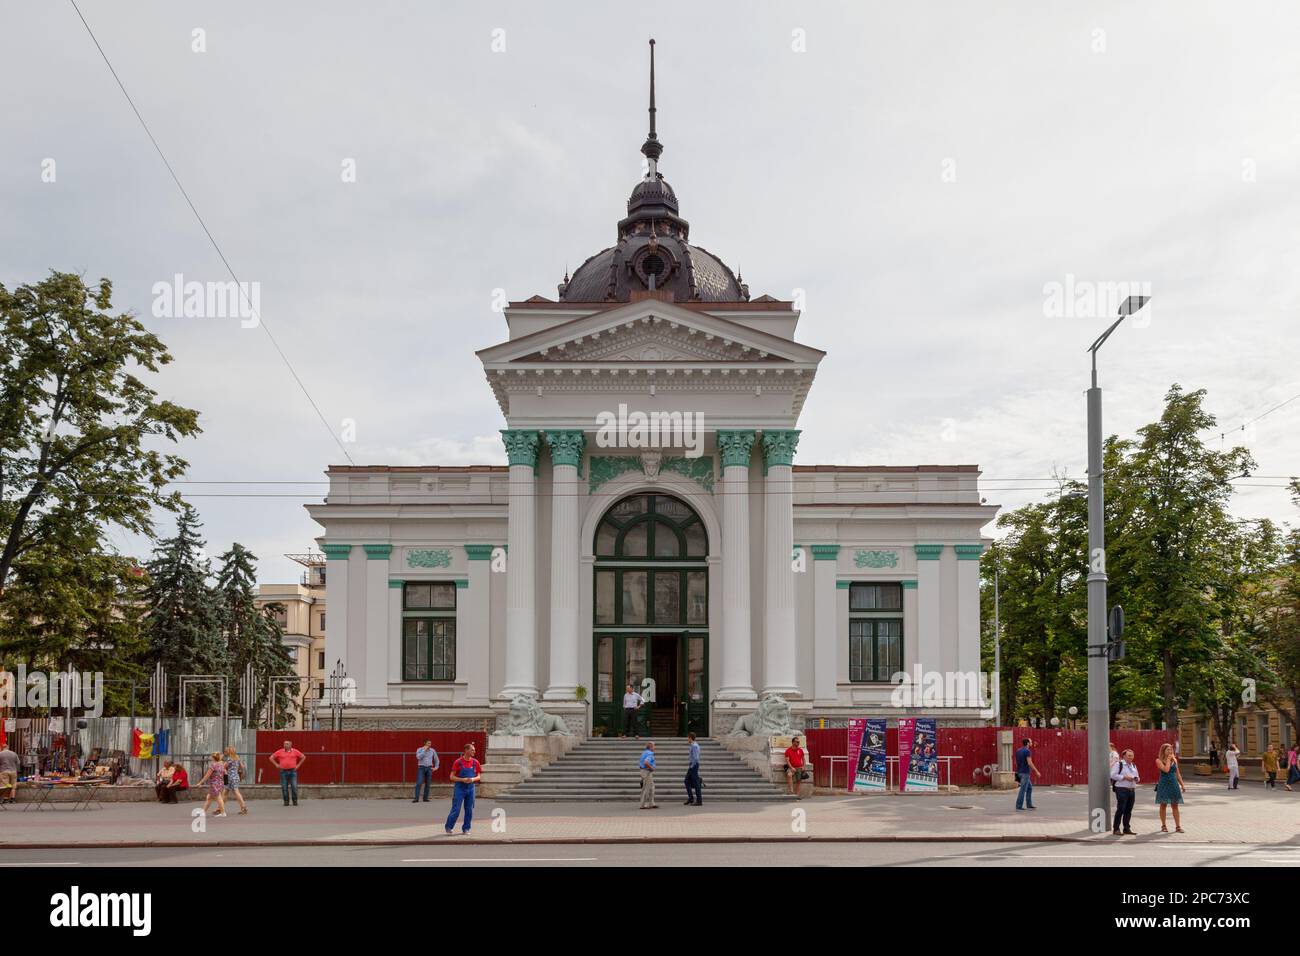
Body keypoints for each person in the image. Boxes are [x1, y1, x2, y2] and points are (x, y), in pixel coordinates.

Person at [444, 742, 481, 835]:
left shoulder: (475, 762)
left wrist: (472, 779)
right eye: (472, 749)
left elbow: (479, 776)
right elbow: (451, 777)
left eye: (474, 750)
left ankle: (466, 828)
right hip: (460, 788)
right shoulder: (458, 762)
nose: (474, 751)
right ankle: (449, 827)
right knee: (456, 809)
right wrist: (462, 779)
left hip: (471, 788)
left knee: (469, 809)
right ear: (466, 750)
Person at [1155, 742, 1186, 833]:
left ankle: (1178, 826)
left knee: (1175, 805)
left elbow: (1178, 774)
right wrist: (1168, 760)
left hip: (1173, 784)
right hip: (1164, 784)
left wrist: (1182, 785)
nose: (1170, 751)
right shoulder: (1158, 760)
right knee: (1163, 805)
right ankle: (1163, 825)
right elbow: (1166, 770)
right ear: (1163, 751)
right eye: (1168, 749)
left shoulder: (1174, 760)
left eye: (1171, 749)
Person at [1110, 748, 1139, 835]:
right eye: (1129, 756)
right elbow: (1113, 775)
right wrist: (1124, 777)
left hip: (1131, 790)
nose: (1131, 757)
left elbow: (1137, 776)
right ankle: (1116, 829)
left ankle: (1126, 828)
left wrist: (1136, 779)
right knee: (1121, 809)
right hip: (1122, 789)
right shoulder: (1119, 764)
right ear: (1124, 756)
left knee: (1128, 810)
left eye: (1132, 756)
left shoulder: (1133, 765)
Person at [269, 739, 307, 807]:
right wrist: (276, 765)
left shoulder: (295, 751)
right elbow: (271, 757)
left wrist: (298, 765)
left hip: (293, 771)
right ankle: (286, 801)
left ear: (290, 745)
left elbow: (303, 757)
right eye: (284, 744)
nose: (285, 745)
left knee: (294, 786)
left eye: (287, 744)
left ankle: (295, 801)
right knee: (284, 787)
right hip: (283, 771)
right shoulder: (280, 751)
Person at [197, 751, 227, 818]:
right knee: (209, 798)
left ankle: (223, 813)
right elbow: (225, 773)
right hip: (220, 783)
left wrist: (200, 783)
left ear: (213, 758)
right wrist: (225, 783)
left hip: (214, 784)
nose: (210, 757)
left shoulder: (213, 765)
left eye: (211, 756)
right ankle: (203, 812)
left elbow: (207, 776)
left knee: (218, 798)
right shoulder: (221, 765)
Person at [1014, 737, 1039, 811]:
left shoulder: (1018, 750)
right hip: (1025, 773)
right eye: (1030, 742)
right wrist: (1036, 771)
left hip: (1019, 772)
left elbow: (1016, 762)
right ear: (1028, 743)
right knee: (1023, 789)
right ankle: (1018, 806)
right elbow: (1029, 762)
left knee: (1029, 788)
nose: (1031, 743)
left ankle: (1029, 805)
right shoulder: (1027, 751)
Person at [223, 746, 248, 815]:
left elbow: (223, 767)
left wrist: (225, 772)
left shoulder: (229, 759)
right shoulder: (237, 758)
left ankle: (220, 808)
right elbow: (242, 767)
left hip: (228, 777)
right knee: (236, 792)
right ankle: (243, 807)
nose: (226, 752)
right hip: (236, 777)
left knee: (225, 792)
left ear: (229, 751)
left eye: (227, 751)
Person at [683, 732, 702, 806]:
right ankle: (691, 798)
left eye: (688, 738)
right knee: (686, 781)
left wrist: (692, 765)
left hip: (693, 766)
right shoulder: (692, 745)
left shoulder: (694, 746)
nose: (687, 739)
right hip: (692, 766)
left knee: (696, 783)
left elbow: (696, 758)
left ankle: (699, 800)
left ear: (690, 738)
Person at [638, 741, 657, 809]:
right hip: (647, 771)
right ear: (651, 747)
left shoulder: (645, 752)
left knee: (652, 787)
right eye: (654, 746)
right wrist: (652, 768)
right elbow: (646, 762)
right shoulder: (650, 753)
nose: (655, 747)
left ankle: (651, 803)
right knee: (647, 788)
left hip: (644, 771)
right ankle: (642, 805)